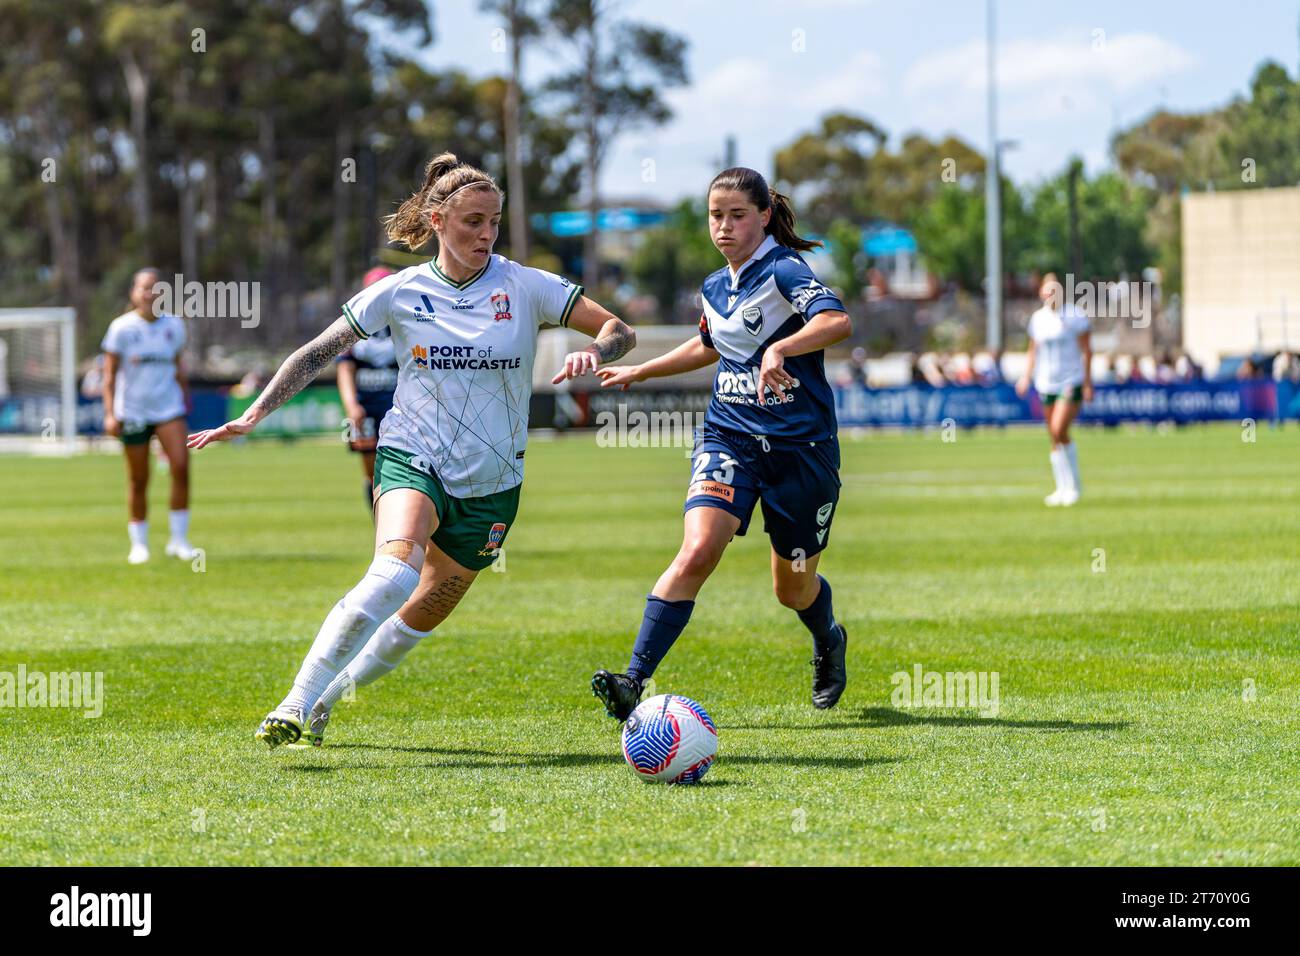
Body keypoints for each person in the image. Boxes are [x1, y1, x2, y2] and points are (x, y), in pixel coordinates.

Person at [188, 152, 636, 747]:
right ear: (436, 221)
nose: (486, 233)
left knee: (414, 620)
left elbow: (619, 329)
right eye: (473, 220)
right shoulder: (402, 292)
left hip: (494, 482)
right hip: (412, 453)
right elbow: (315, 353)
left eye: (494, 221)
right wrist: (253, 414)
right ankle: (294, 701)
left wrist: (595, 353)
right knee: (394, 572)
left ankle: (327, 698)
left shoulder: (526, 285)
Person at [590, 166, 854, 720]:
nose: (725, 227)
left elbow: (835, 320)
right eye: (716, 216)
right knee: (696, 550)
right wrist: (642, 371)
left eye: (737, 215)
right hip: (727, 436)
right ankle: (633, 680)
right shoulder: (714, 285)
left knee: (793, 590)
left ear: (763, 216)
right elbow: (710, 344)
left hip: (800, 450)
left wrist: (781, 351)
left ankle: (828, 636)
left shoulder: (785, 269)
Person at [101, 267, 197, 563]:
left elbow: (179, 366)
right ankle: (139, 544)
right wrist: (109, 413)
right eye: (144, 288)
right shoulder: (121, 328)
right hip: (133, 411)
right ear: (134, 293)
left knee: (181, 467)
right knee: (139, 479)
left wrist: (185, 396)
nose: (150, 293)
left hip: (169, 409)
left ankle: (178, 540)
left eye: (156, 287)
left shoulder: (175, 326)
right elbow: (109, 375)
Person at [1016, 272, 1092, 507]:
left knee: (1060, 430)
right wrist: (1026, 377)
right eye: (1048, 291)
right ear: (1041, 293)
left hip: (1070, 380)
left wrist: (1088, 382)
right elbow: (1033, 350)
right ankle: (1061, 487)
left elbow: (1087, 350)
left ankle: (1074, 485)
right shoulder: (1038, 319)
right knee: (1052, 435)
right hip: (1045, 381)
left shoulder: (1075, 316)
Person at [336, 265, 399, 514]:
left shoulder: (406, 322)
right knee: (371, 471)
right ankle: (380, 524)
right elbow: (345, 369)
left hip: (400, 406)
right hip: (365, 408)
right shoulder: (353, 325)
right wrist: (352, 406)